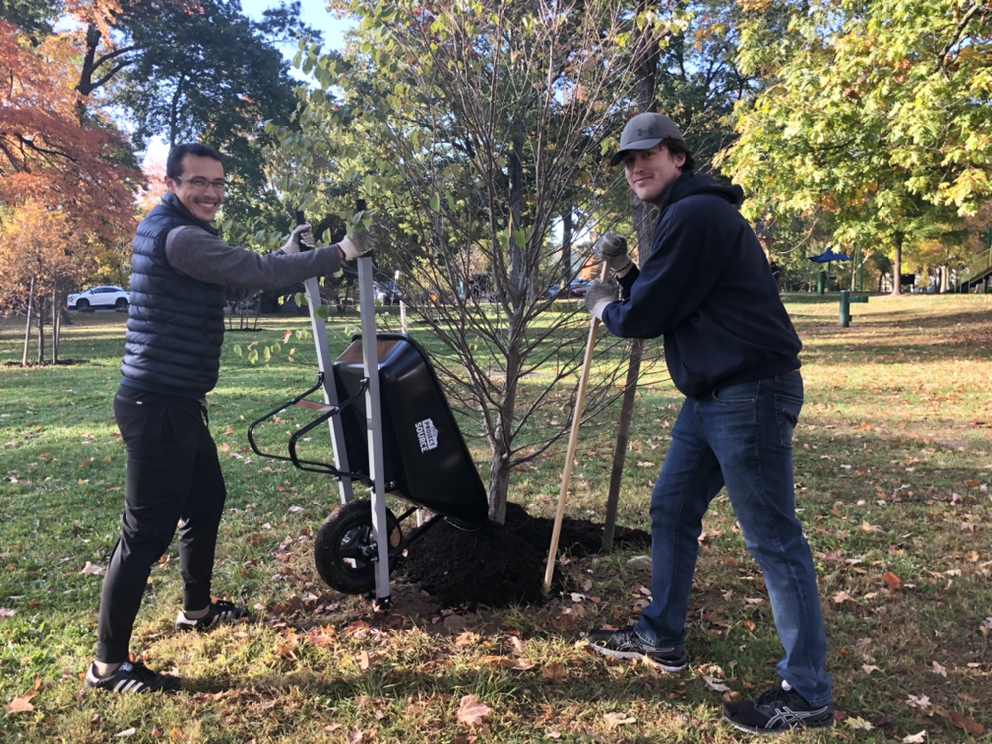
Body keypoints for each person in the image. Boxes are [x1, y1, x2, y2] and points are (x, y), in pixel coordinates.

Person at [85, 143, 372, 694]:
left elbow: (236, 283)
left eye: (218, 183)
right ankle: (108, 667)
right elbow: (256, 271)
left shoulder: (184, 234)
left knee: (206, 500)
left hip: (176, 402)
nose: (211, 193)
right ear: (172, 184)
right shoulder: (180, 237)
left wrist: (288, 252)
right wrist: (340, 251)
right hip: (158, 406)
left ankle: (196, 611)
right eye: (199, 182)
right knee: (144, 535)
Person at [582, 113, 833, 735]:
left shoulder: (693, 214)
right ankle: (662, 635)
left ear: (678, 157)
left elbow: (648, 315)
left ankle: (808, 693)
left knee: (773, 539)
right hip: (715, 394)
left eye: (648, 155)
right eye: (628, 160)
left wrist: (606, 306)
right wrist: (627, 273)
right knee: (671, 507)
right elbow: (676, 296)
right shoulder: (689, 213)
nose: (636, 167)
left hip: (748, 393)